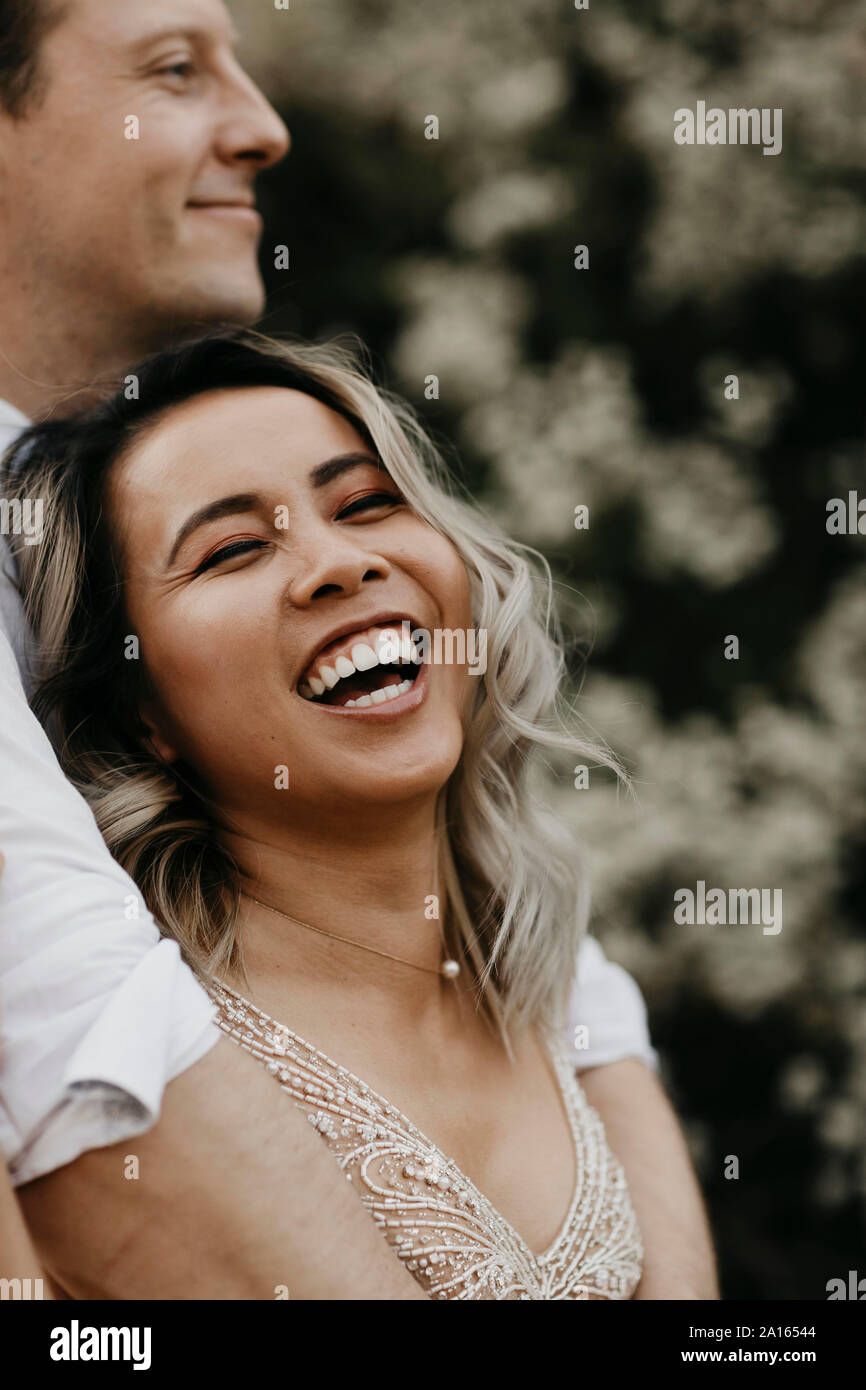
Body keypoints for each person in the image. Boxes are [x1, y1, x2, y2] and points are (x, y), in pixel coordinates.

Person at [0, 0, 716, 1298]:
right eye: (174, 70)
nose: (265, 127)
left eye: (368, 499)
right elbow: (52, 996)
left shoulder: (541, 978)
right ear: (133, 705)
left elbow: (583, 1000)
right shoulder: (156, 1034)